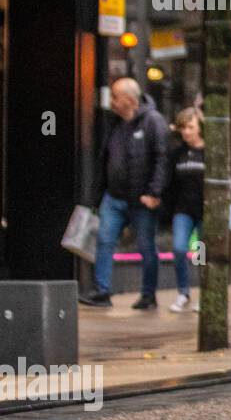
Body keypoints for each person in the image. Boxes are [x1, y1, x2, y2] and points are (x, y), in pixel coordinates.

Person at [80, 77, 171, 309]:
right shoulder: (114, 123)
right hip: (114, 196)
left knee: (145, 246)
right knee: (104, 240)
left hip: (142, 199)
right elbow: (105, 160)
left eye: (115, 97)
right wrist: (96, 195)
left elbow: (162, 159)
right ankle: (102, 291)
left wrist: (154, 192)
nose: (111, 102)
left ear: (130, 100)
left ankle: (148, 295)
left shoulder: (153, 122)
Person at [163, 107, 204, 313]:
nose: (186, 132)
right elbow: (169, 181)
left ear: (200, 128)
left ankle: (204, 294)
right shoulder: (177, 153)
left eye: (191, 127)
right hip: (183, 210)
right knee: (179, 248)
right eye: (183, 128)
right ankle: (183, 292)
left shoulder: (209, 152)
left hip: (204, 213)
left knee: (201, 255)